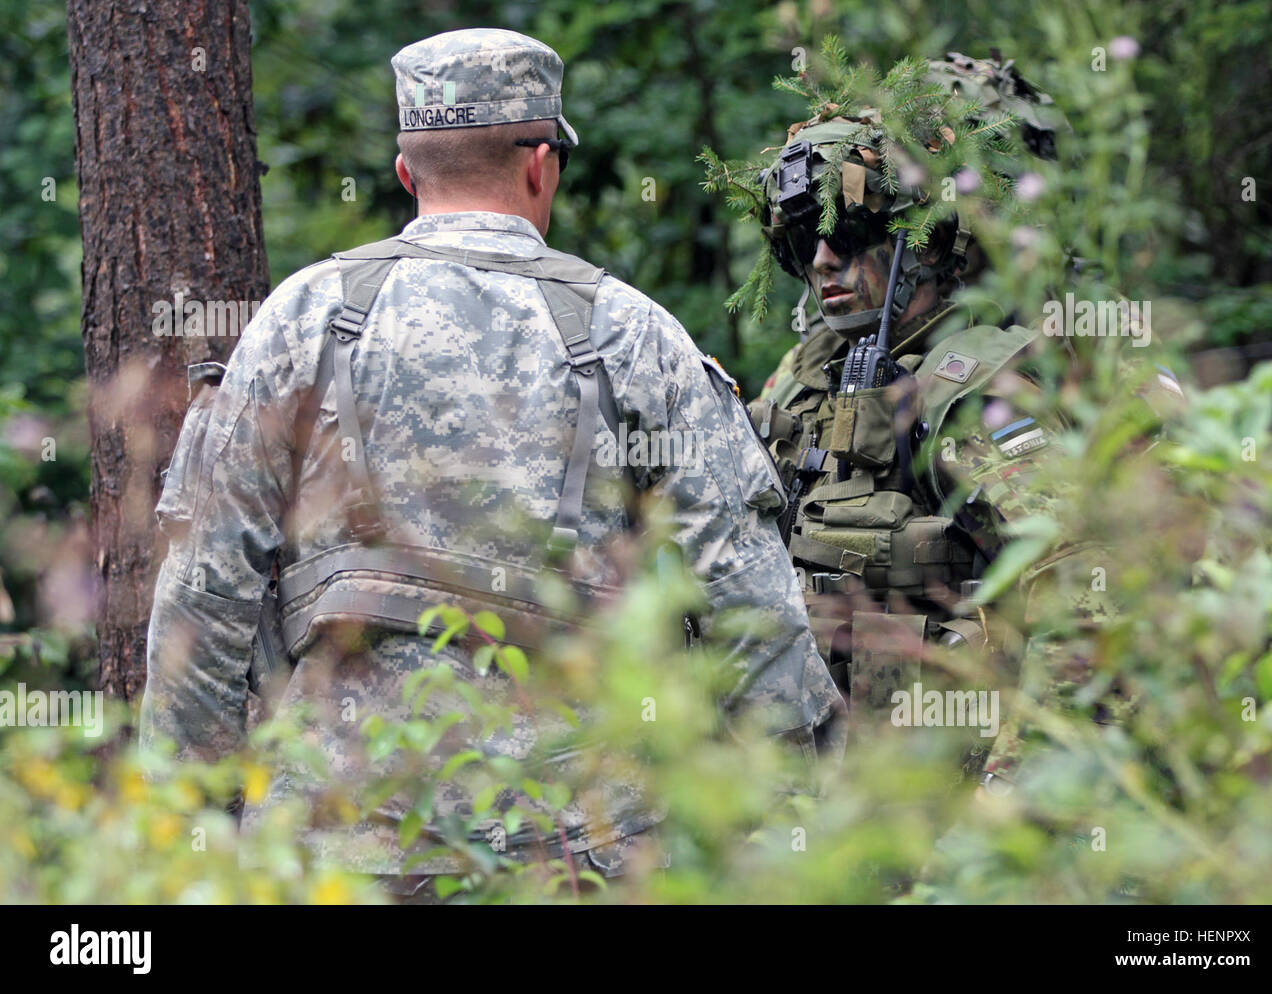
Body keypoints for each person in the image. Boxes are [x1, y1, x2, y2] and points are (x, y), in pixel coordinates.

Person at [139, 27, 842, 892]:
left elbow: (204, 594)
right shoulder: (632, 335)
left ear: (406, 172)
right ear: (541, 163)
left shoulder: (301, 319)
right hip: (581, 840)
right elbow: (747, 601)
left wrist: (183, 836)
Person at [742, 52, 1167, 786]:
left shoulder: (970, 389)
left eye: (847, 236)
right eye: (804, 239)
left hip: (941, 790)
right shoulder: (807, 373)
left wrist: (1017, 797)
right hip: (811, 777)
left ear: (928, 244)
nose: (821, 261)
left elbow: (1079, 592)